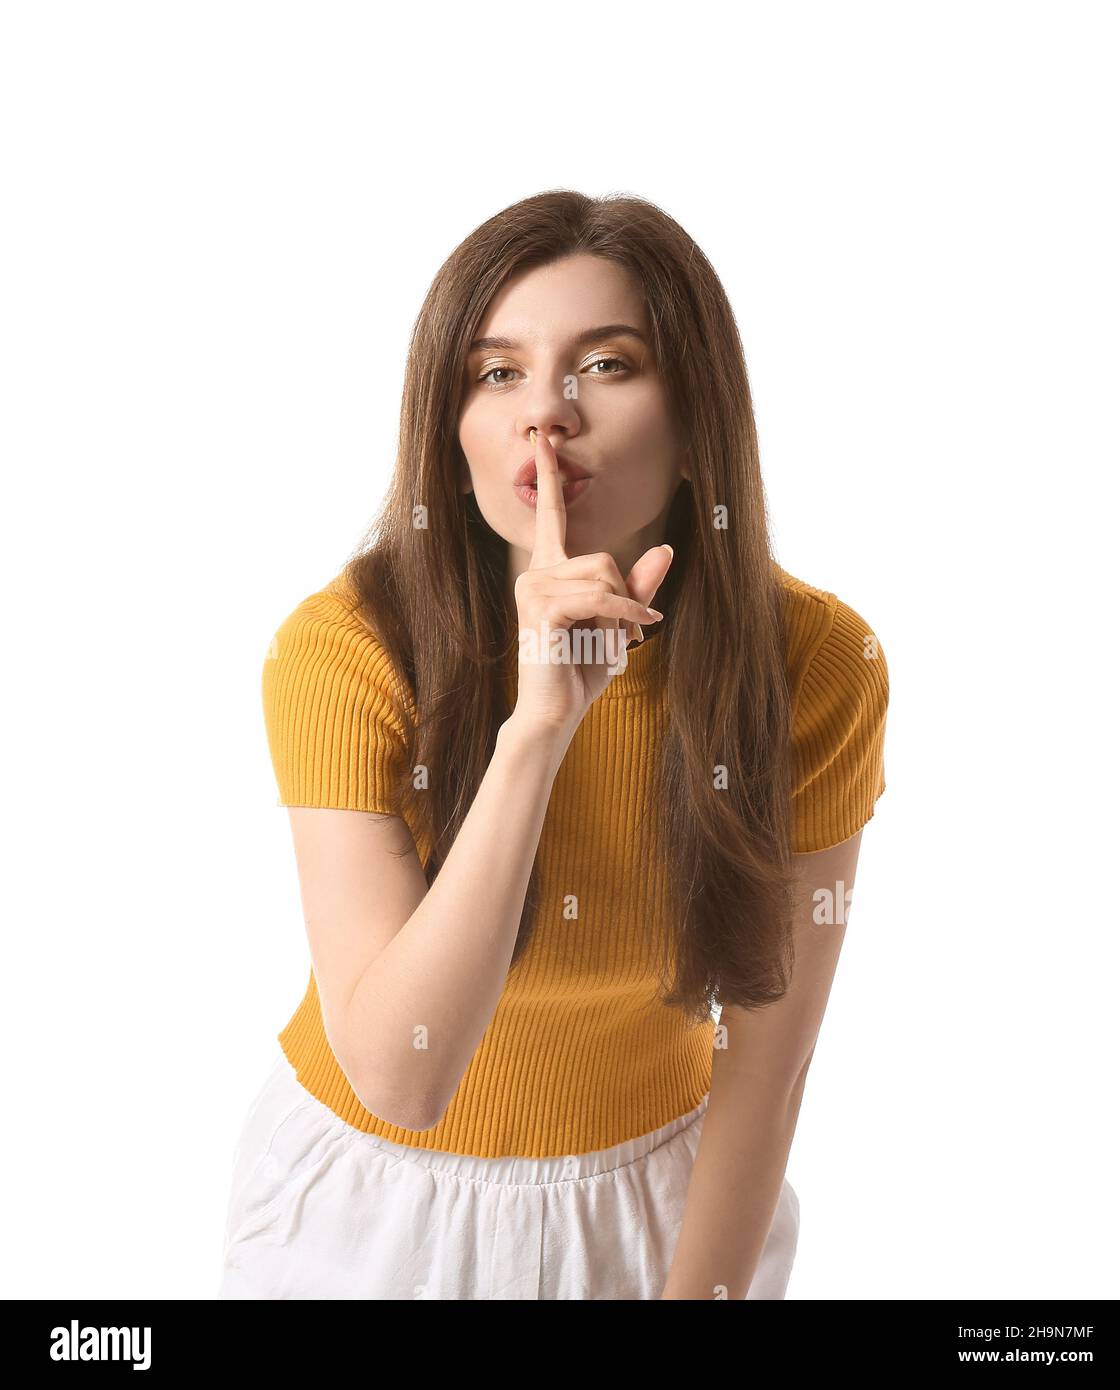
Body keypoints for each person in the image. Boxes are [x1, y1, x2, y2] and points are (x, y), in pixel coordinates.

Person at [217, 190, 889, 1300]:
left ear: (696, 422)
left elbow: (768, 1062)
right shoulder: (345, 649)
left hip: (666, 1204)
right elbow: (403, 1072)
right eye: (497, 373)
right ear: (452, 428)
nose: (547, 413)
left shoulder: (813, 664)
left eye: (608, 365)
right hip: (374, 1209)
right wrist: (539, 727)